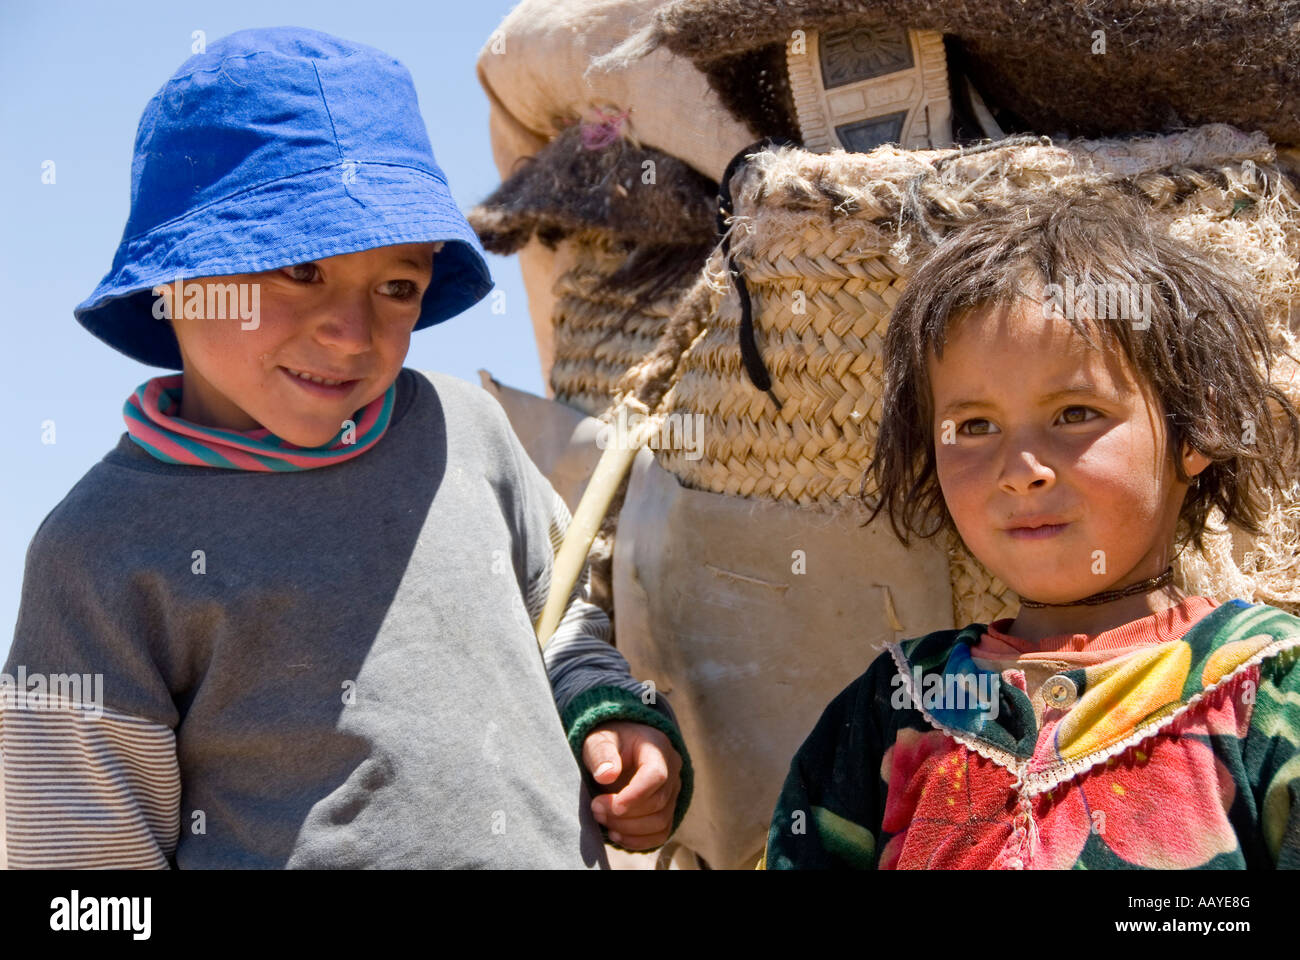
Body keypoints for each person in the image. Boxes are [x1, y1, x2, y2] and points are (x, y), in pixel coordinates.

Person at [0, 26, 690, 869]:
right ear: (174, 275)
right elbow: (83, 853)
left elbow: (563, 623)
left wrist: (612, 719)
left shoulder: (464, 434)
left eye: (397, 286)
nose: (352, 332)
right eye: (299, 270)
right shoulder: (100, 551)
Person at [762, 189, 1300, 869]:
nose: (1020, 471)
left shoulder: (1266, 688)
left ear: (1196, 428)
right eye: (975, 426)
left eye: (1075, 413)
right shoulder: (894, 706)